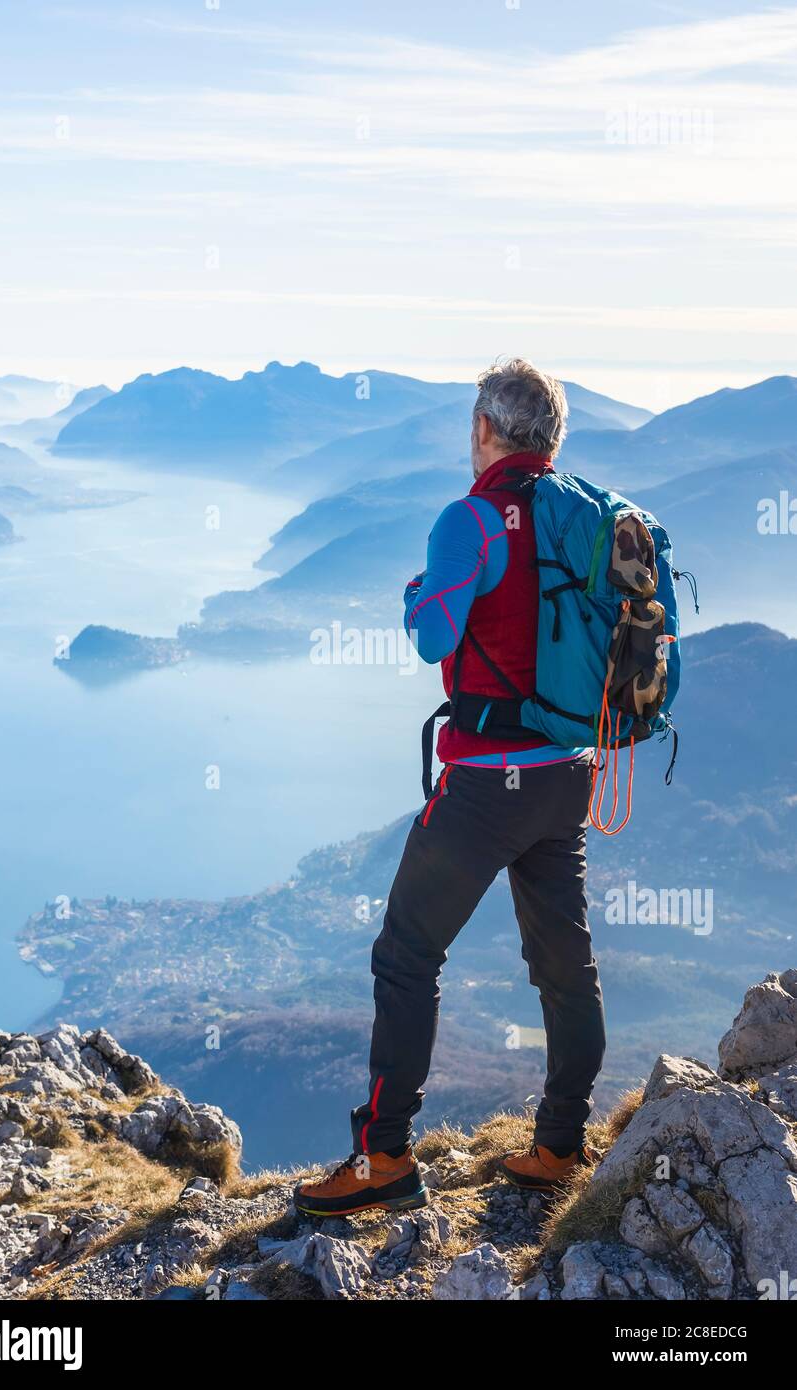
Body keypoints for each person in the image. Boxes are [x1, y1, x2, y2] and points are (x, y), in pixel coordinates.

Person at [295, 359, 604, 1217]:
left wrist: (415, 595)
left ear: (483, 431)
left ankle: (385, 1158)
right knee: (564, 961)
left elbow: (434, 637)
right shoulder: (584, 516)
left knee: (405, 955)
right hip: (569, 774)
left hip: (486, 783)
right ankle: (560, 1142)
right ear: (553, 438)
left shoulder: (467, 521)